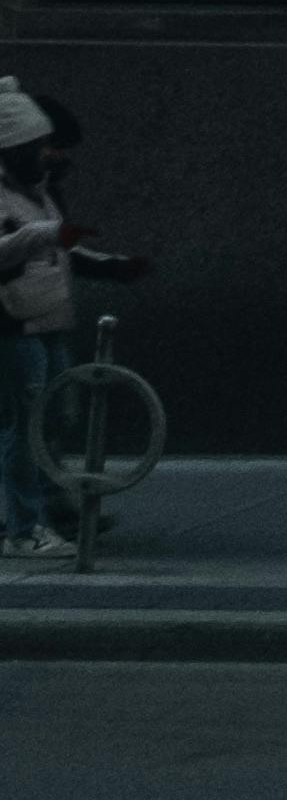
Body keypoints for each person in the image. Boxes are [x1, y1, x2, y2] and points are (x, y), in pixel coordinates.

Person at [0, 81, 151, 563]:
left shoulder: (39, 192)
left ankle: (46, 510)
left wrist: (111, 264)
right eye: (42, 147)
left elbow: (63, 246)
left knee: (51, 419)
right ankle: (25, 529)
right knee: (25, 427)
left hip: (48, 320)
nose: (51, 156)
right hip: (15, 325)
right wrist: (47, 233)